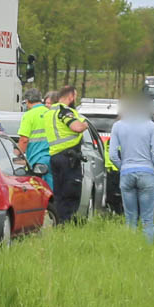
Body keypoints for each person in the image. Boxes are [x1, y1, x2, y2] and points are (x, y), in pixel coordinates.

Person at [109, 96, 154, 242]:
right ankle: (147, 248)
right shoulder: (150, 125)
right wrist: (150, 167)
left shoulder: (118, 126)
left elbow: (112, 155)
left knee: (130, 218)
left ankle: (131, 246)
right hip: (146, 172)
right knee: (147, 219)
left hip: (126, 173)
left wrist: (123, 168)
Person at [47, 85, 91, 223]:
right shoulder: (64, 111)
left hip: (55, 157)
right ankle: (67, 224)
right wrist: (85, 124)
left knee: (59, 195)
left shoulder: (50, 112)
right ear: (71, 97)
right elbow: (77, 127)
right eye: (75, 96)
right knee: (71, 194)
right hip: (68, 159)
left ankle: (59, 224)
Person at [18, 90, 54, 186]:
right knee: (51, 186)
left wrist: (17, 154)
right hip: (53, 157)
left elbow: (24, 140)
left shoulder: (29, 115)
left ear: (27, 101)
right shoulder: (50, 113)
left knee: (38, 189)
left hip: (37, 159)